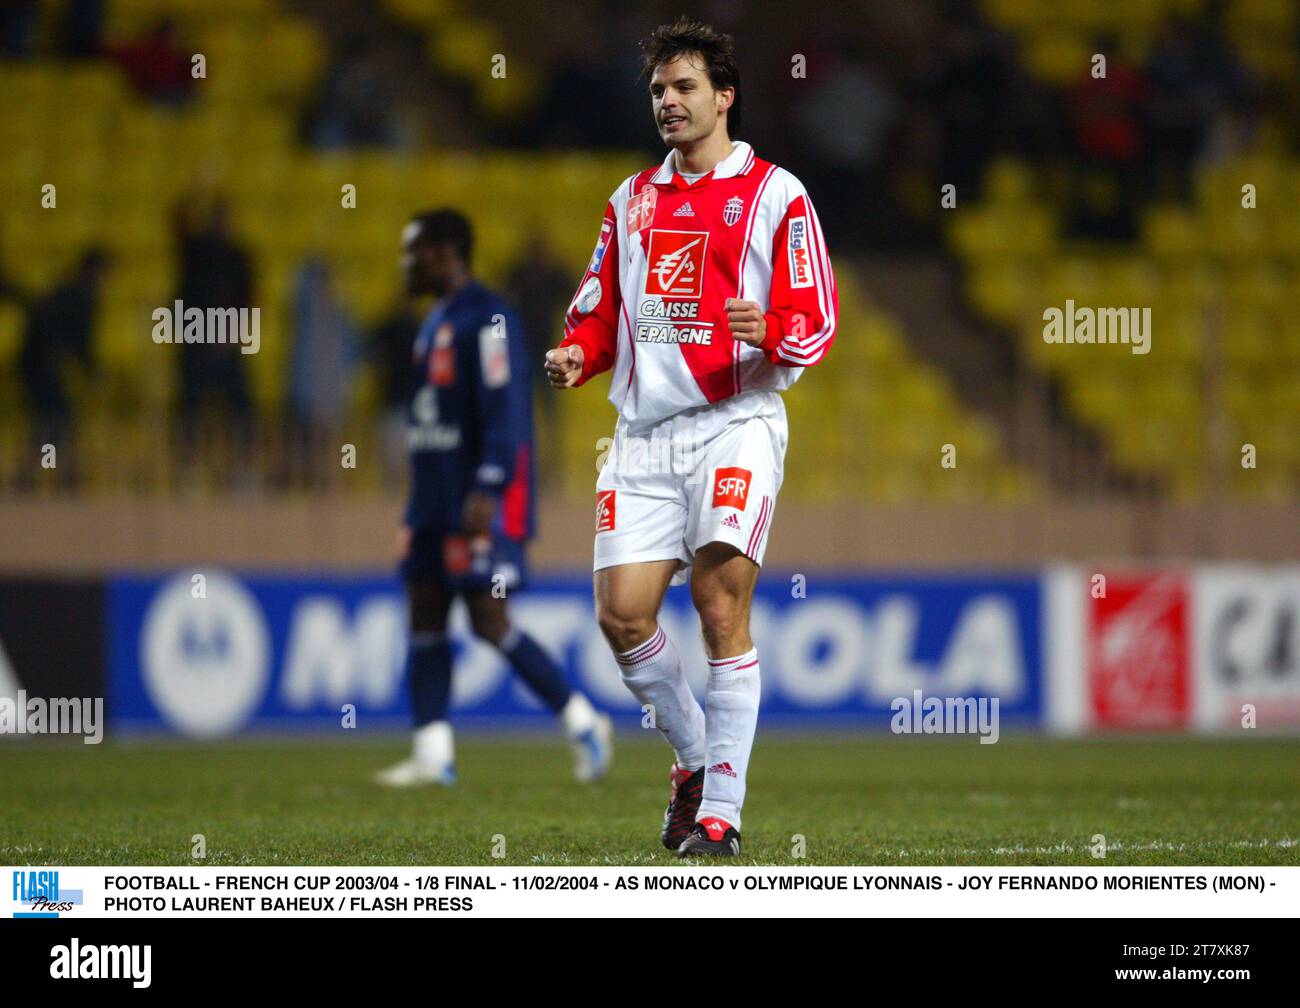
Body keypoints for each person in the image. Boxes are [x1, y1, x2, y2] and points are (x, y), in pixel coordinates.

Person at [545, 18, 837, 857]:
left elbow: (815, 320)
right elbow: (602, 307)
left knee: (718, 603)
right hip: (642, 435)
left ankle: (722, 815)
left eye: (683, 89)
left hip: (734, 421)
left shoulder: (776, 194)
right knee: (623, 616)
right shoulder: (630, 199)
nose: (667, 103)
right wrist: (579, 351)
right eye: (657, 92)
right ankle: (695, 762)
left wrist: (769, 326)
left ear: (724, 96)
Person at [376, 209, 613, 787]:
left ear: (445, 251)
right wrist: (416, 508)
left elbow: (506, 408)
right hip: (434, 501)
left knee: (488, 618)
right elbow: (433, 427)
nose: (408, 264)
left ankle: (584, 722)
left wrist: (488, 485)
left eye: (416, 252)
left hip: (479, 498)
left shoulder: (490, 316)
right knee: (425, 609)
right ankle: (433, 754)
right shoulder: (435, 321)